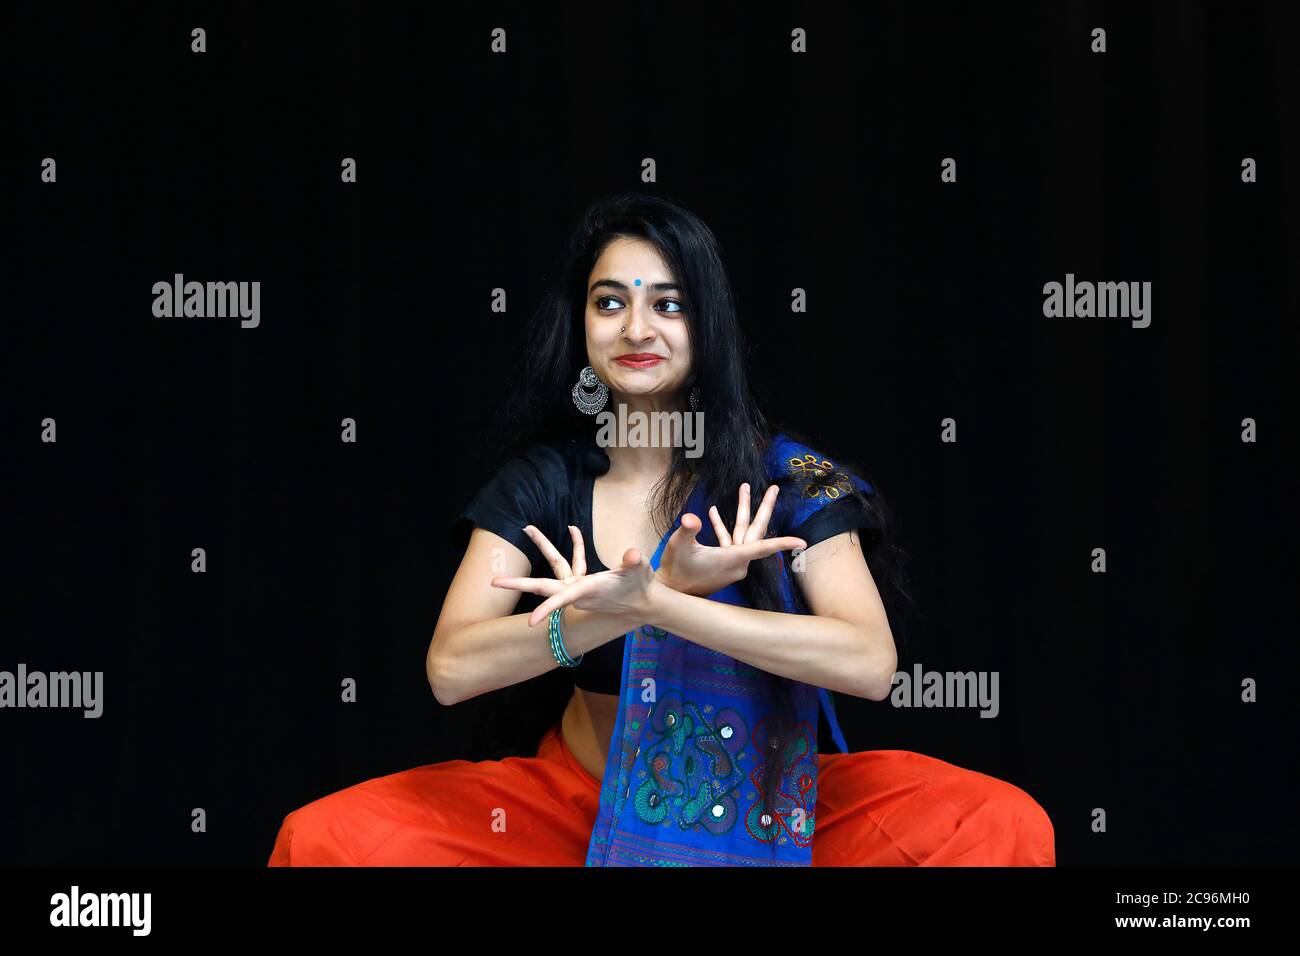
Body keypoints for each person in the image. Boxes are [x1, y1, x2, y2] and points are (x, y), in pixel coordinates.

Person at [267, 192, 1056, 867]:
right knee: (327, 839)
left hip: (769, 802)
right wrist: (603, 611)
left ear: (705, 325)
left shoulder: (788, 476)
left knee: (997, 823)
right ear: (582, 326)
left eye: (667, 303)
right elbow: (450, 668)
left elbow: (869, 662)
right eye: (610, 302)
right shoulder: (543, 482)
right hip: (578, 807)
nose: (636, 327)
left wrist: (667, 606)